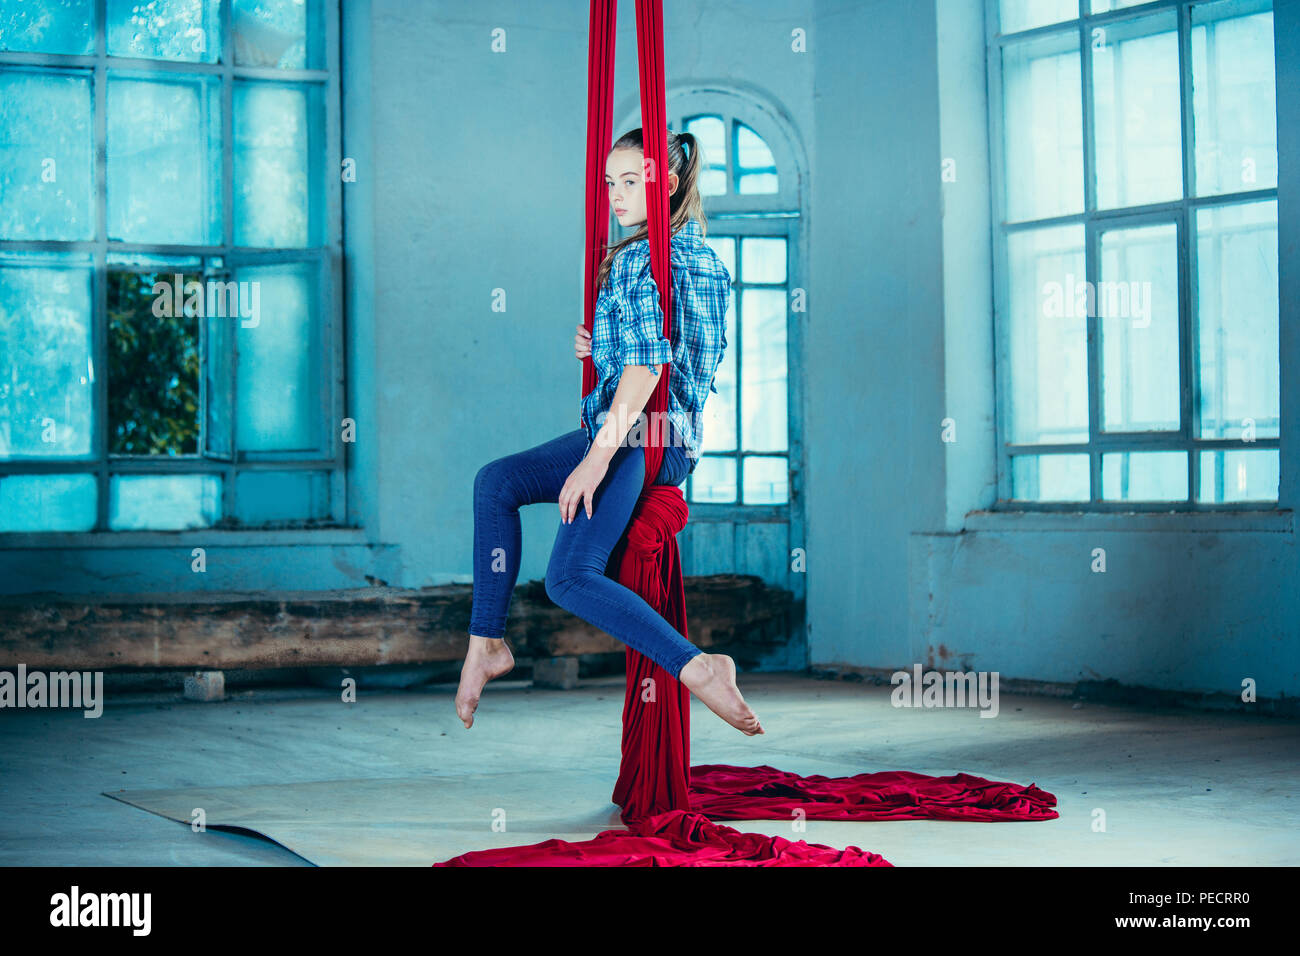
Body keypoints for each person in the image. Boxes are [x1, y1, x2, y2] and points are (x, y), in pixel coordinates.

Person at [456, 127, 764, 737]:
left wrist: (596, 459)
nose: (616, 197)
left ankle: (699, 666)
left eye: (631, 181)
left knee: (569, 576)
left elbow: (650, 366)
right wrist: (603, 348)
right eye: (609, 184)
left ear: (666, 183)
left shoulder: (638, 258)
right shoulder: (706, 262)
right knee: (496, 483)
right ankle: (485, 643)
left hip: (636, 436)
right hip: (672, 440)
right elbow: (685, 358)